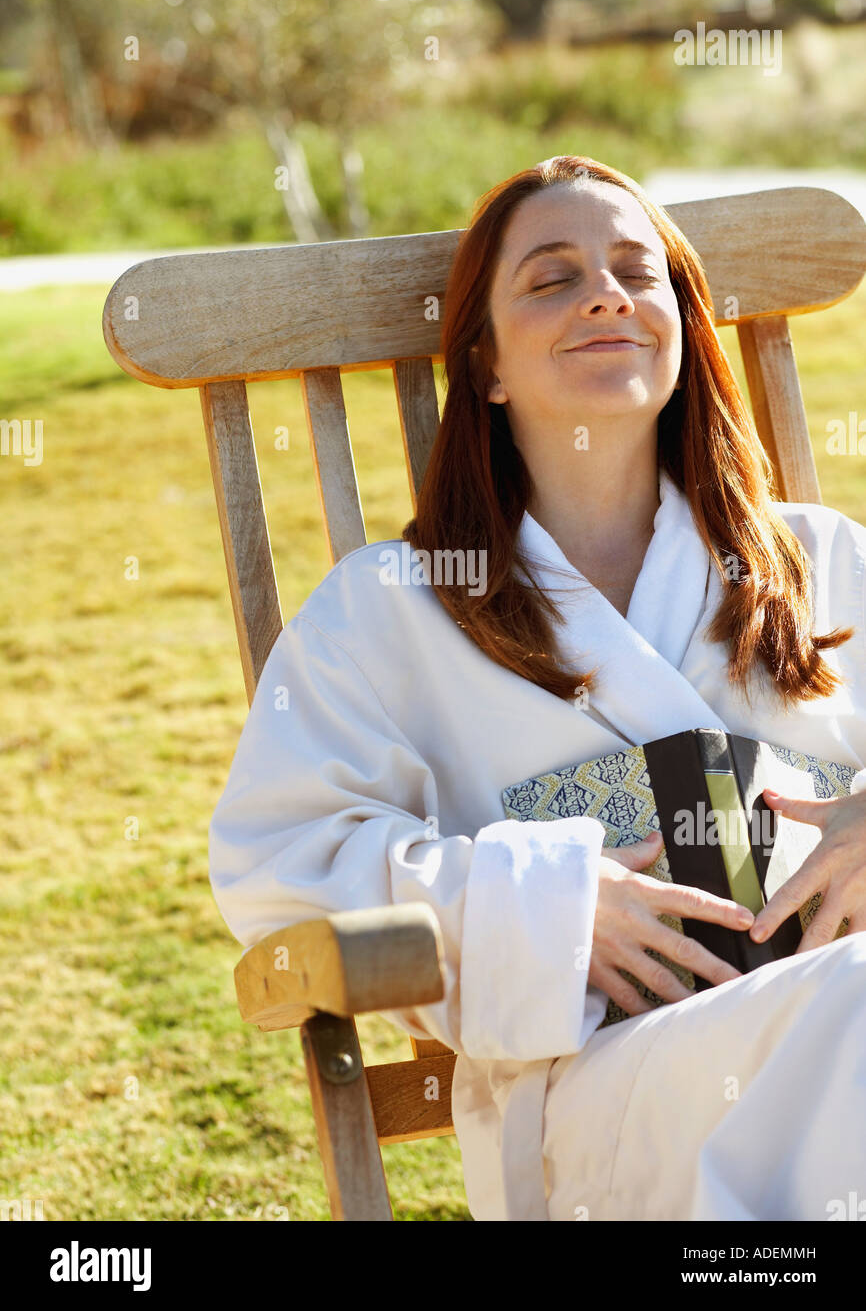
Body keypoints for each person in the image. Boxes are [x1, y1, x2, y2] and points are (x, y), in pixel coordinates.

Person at [208, 155, 866, 1221]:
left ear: (680, 330)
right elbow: (279, 871)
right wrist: (542, 906)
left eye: (633, 271)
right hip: (604, 1091)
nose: (604, 292)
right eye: (551, 279)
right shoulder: (390, 610)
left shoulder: (816, 562)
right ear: (486, 365)